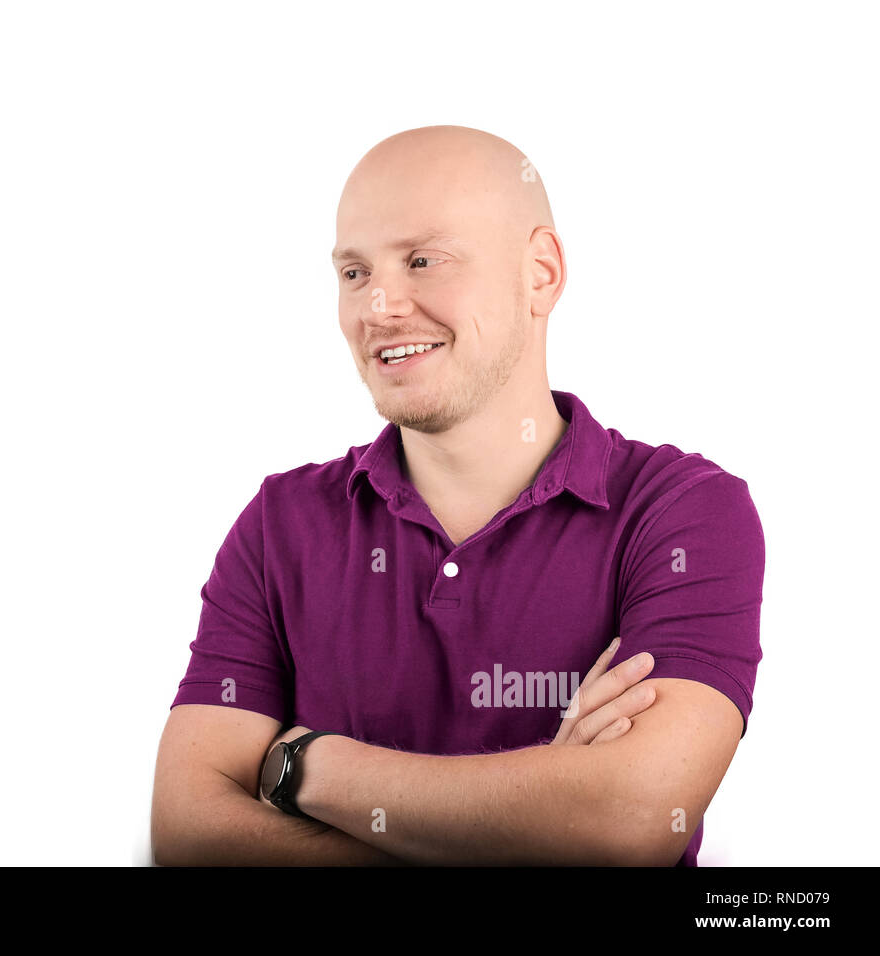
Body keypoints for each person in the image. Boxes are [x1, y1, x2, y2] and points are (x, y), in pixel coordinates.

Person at [150, 125, 764, 866]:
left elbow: (634, 815)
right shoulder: (280, 525)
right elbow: (187, 832)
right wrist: (542, 823)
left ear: (540, 272)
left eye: (422, 260)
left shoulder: (683, 513)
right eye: (352, 272)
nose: (378, 306)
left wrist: (306, 766)